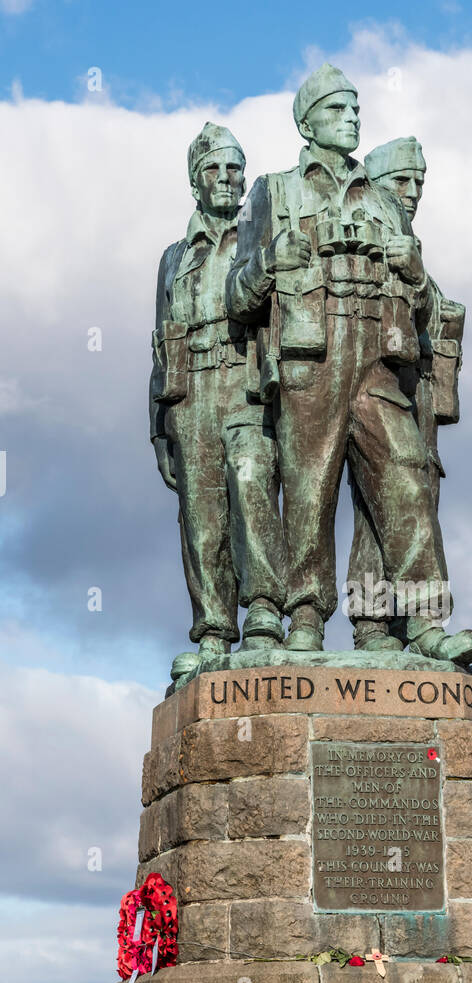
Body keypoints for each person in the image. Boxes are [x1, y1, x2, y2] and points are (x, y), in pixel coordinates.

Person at [226, 66, 472, 666]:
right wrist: (271, 259)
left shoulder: (385, 201)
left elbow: (423, 303)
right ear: (306, 122)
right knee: (309, 490)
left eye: (355, 109)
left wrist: (413, 268)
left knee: (406, 475)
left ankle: (424, 623)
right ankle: (305, 621)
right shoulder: (274, 190)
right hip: (310, 358)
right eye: (337, 109)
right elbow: (237, 297)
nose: (351, 119)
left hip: (375, 356)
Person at [150, 123, 285, 680]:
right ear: (194, 180)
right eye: (215, 169)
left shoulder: (261, 234)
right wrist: (159, 428)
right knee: (201, 517)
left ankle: (264, 613)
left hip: (243, 381)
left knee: (252, 482)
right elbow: (160, 342)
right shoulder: (174, 256)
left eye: (235, 168)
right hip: (190, 393)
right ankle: (212, 630)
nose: (227, 179)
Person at [346, 137, 466, 650]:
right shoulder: (369, 245)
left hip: (417, 399)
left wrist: (419, 278)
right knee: (391, 500)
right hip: (366, 387)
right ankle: (386, 622)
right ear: (373, 186)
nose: (413, 191)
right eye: (401, 180)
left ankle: (382, 627)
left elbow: (437, 317)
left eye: (419, 181)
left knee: (397, 507)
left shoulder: (411, 251)